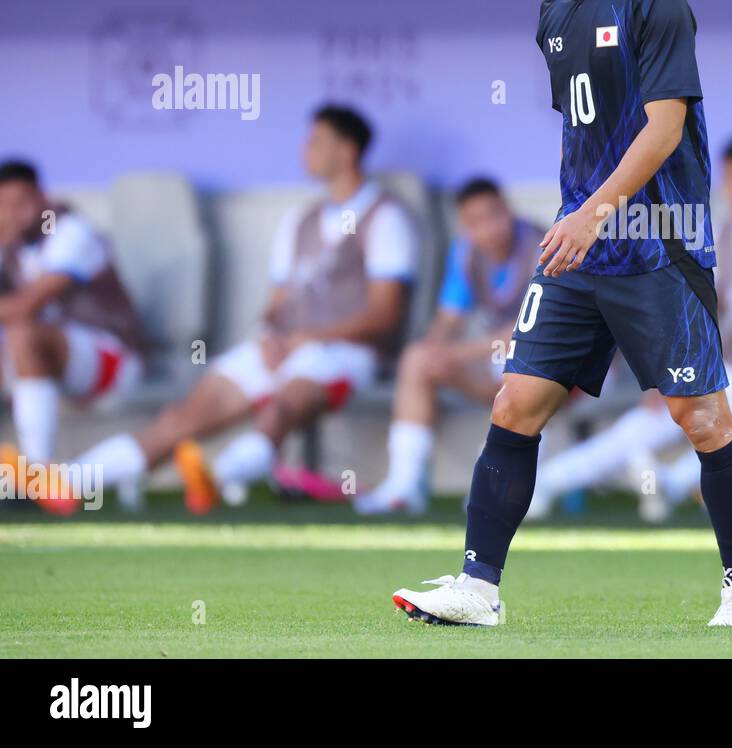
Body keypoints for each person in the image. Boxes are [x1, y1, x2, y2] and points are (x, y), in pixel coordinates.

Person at [392, 0, 732, 629]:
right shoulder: (554, 14)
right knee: (515, 404)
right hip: (581, 248)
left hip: (658, 242)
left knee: (701, 418)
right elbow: (584, 132)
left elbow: (665, 127)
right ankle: (478, 588)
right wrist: (580, 215)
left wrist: (595, 208)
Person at [70, 105, 417, 513]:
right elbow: (276, 303)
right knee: (184, 416)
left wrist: (308, 340)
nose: (306, 150)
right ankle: (69, 480)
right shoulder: (300, 220)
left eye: (316, 141)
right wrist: (268, 337)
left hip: (345, 354)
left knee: (280, 408)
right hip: (283, 346)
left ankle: (218, 480)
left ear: (347, 150)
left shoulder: (387, 217)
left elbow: (385, 315)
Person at [527, 135, 732, 522]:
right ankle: (548, 481)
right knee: (646, 422)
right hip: (727, 364)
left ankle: (669, 485)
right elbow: (697, 312)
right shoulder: (722, 234)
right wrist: (671, 371)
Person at [355, 177, 544, 515]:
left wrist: (453, 354)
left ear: (508, 210)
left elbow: (527, 332)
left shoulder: (543, 245)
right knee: (417, 360)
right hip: (497, 369)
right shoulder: (466, 252)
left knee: (512, 370)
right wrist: (432, 349)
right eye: (474, 222)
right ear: (464, 226)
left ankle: (511, 487)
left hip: (548, 369)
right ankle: (404, 486)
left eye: (492, 216)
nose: (487, 229)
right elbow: (448, 320)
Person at [0, 160, 145, 474]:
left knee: (24, 334)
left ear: (42, 197)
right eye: (4, 206)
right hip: (53, 364)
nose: (14, 213)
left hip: (113, 357)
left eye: (21, 201)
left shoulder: (71, 231)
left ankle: (38, 473)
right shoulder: (10, 247)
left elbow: (26, 308)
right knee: (19, 338)